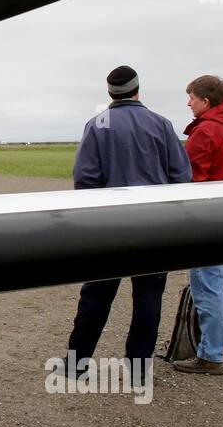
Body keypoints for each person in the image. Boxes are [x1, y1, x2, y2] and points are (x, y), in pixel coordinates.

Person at [64, 66, 192, 376]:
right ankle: (138, 369)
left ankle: (76, 364)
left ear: (110, 93)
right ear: (137, 89)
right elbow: (182, 176)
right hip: (155, 227)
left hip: (109, 227)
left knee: (95, 295)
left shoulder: (96, 126)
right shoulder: (161, 125)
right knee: (148, 297)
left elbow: (85, 179)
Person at [173, 74, 223, 375]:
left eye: (192, 98)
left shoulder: (207, 131)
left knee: (209, 286)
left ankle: (210, 355)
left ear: (206, 101)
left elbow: (192, 180)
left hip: (212, 218)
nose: (188, 103)